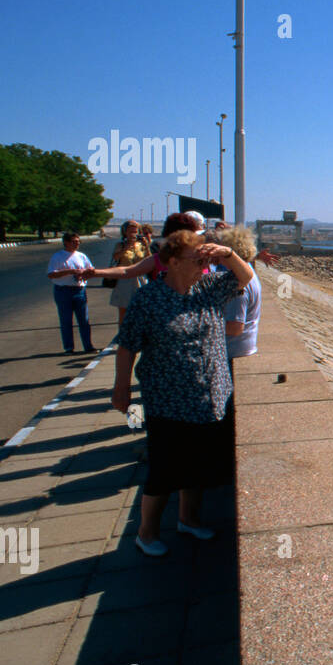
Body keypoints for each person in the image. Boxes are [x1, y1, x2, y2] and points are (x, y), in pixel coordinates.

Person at [111, 230, 255, 557]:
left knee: (198, 466)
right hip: (168, 400)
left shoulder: (209, 288)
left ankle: (187, 519)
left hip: (210, 397)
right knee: (165, 470)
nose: (205, 264)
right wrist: (121, 389)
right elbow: (127, 346)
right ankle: (146, 533)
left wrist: (225, 254)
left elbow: (246, 275)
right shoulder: (149, 299)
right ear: (173, 262)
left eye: (207, 259)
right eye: (198, 258)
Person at [46, 232, 96, 354]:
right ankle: (68, 347)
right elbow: (51, 274)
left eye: (78, 242)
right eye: (74, 242)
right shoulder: (57, 257)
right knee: (66, 320)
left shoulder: (81, 256)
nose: (77, 244)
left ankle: (88, 346)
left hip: (79, 290)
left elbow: (91, 270)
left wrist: (84, 274)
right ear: (66, 242)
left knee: (84, 319)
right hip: (63, 291)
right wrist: (69, 271)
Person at [109, 220, 148, 322]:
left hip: (140, 279)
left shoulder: (141, 245)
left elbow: (150, 260)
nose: (133, 234)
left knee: (141, 310)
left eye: (135, 232)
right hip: (125, 279)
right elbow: (116, 257)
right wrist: (126, 247)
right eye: (130, 231)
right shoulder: (120, 245)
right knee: (124, 311)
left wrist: (147, 246)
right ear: (125, 233)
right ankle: (122, 334)